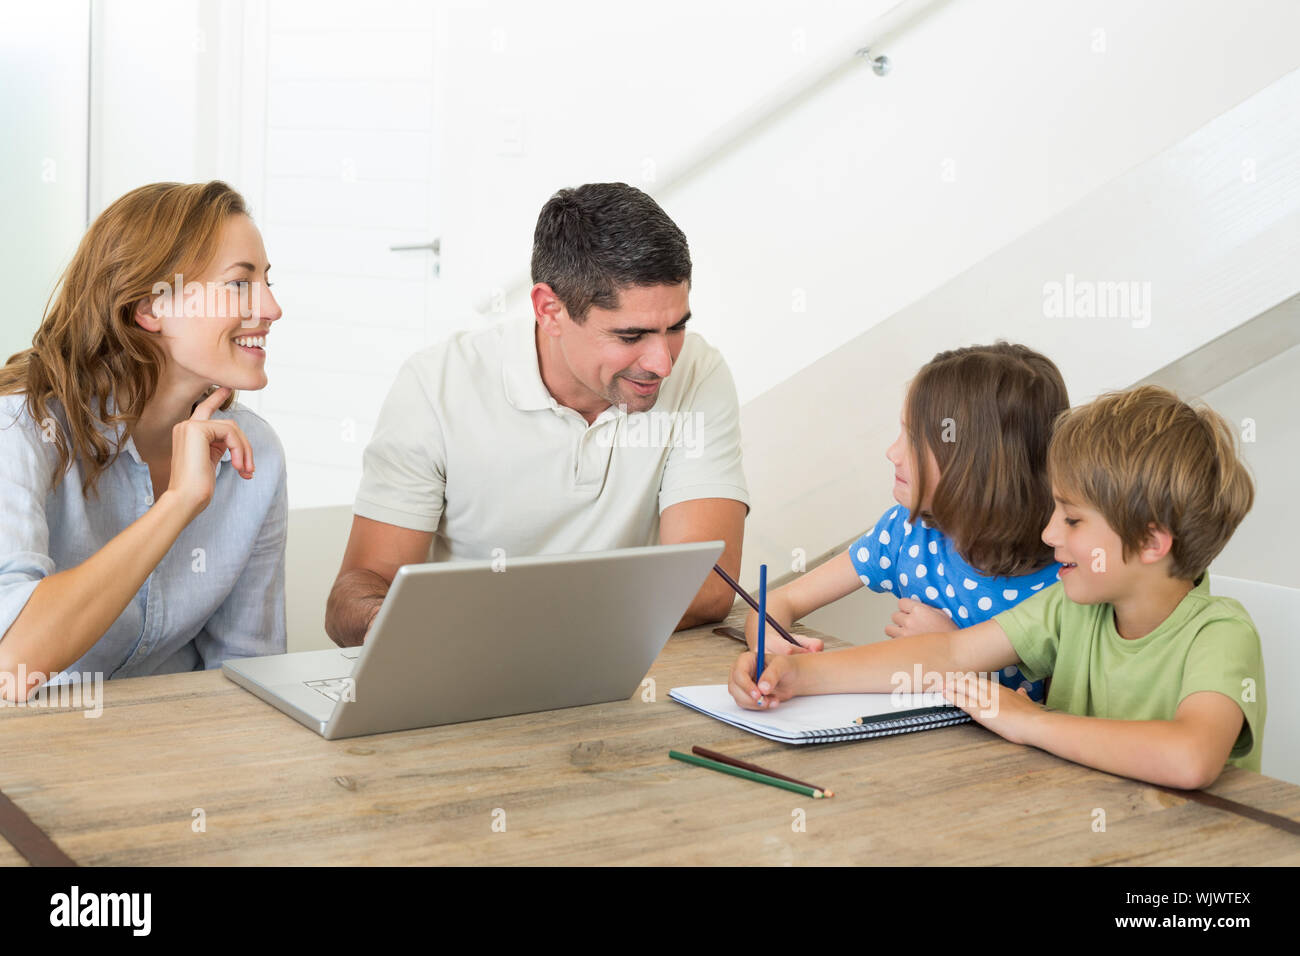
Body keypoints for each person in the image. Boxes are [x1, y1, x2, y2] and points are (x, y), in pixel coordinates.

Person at [730, 386, 1264, 789]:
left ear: (1151, 542)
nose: (1049, 533)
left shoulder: (1221, 634)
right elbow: (950, 651)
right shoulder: (1071, 605)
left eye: (1073, 521)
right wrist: (798, 674)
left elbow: (1189, 758)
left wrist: (1030, 720)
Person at [326, 183, 749, 646]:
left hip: (623, 674)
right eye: (631, 336)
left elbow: (708, 585)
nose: (663, 363)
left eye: (677, 328)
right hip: (470, 675)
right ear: (550, 310)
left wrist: (503, 625)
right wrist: (400, 629)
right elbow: (359, 590)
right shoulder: (437, 385)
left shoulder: (700, 372)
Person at [0, 181, 286, 698]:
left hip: (176, 756)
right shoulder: (20, 426)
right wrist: (177, 504)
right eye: (240, 284)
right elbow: (12, 661)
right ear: (151, 307)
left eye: (267, 281)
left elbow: (249, 677)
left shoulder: (254, 452)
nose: (271, 308)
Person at [744, 343, 1067, 701]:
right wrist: (769, 641)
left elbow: (1054, 720)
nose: (892, 452)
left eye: (914, 439)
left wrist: (947, 646)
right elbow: (781, 600)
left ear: (977, 463)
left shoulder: (1067, 579)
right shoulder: (908, 532)